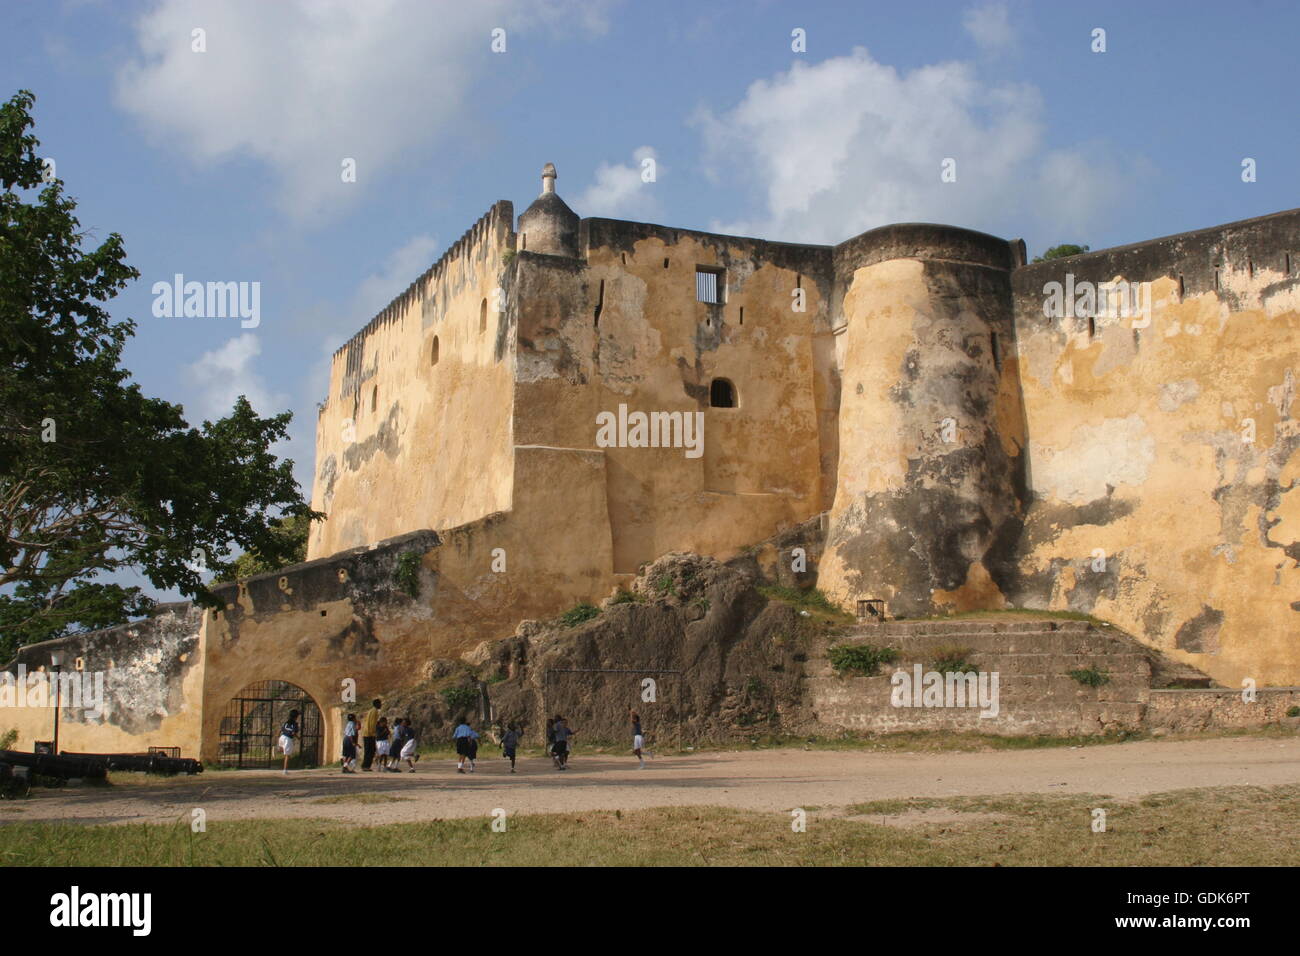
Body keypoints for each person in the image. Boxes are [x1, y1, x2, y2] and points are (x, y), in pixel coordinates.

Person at [361, 698, 381, 770]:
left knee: (368, 751)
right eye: (380, 704)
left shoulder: (371, 711)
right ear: (377, 704)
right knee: (370, 751)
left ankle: (365, 765)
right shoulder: (375, 711)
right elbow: (372, 723)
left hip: (366, 733)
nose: (380, 705)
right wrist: (373, 733)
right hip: (369, 734)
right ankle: (366, 766)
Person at [279, 709, 300, 775]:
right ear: (296, 716)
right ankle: (285, 770)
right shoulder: (295, 724)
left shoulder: (286, 722)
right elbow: (293, 733)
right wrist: (298, 737)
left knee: (284, 752)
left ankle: (280, 748)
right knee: (287, 755)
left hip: (282, 737)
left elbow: (281, 730)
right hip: (288, 738)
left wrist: (278, 738)